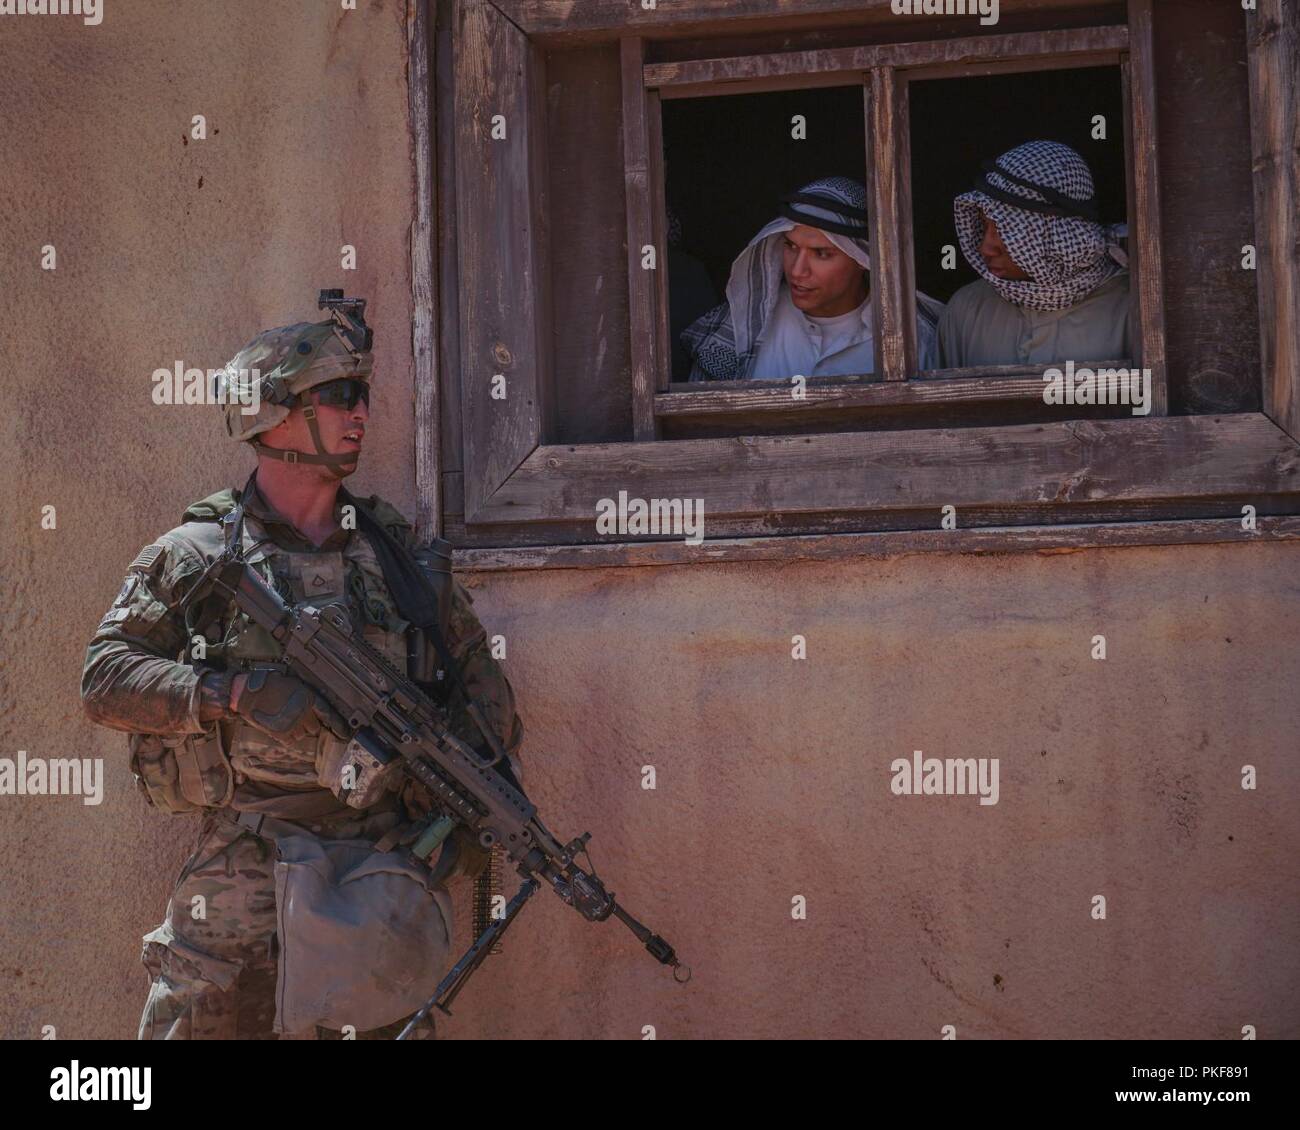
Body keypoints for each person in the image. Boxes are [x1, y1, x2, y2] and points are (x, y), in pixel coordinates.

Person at [82, 295, 523, 1040]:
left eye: (362, 396)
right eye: (337, 396)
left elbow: (482, 691)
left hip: (374, 878)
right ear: (271, 414)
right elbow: (105, 679)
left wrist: (461, 802)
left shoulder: (395, 558)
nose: (360, 415)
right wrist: (234, 693)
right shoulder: (197, 556)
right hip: (243, 874)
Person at [682, 176, 943, 381]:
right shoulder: (743, 323)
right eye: (791, 247)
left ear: (863, 259)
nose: (797, 271)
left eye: (821, 254)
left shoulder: (915, 337)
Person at [938, 140, 1131, 368]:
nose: (985, 248)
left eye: (1004, 230)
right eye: (984, 225)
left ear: (1054, 234)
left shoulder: (1129, 309)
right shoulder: (965, 311)